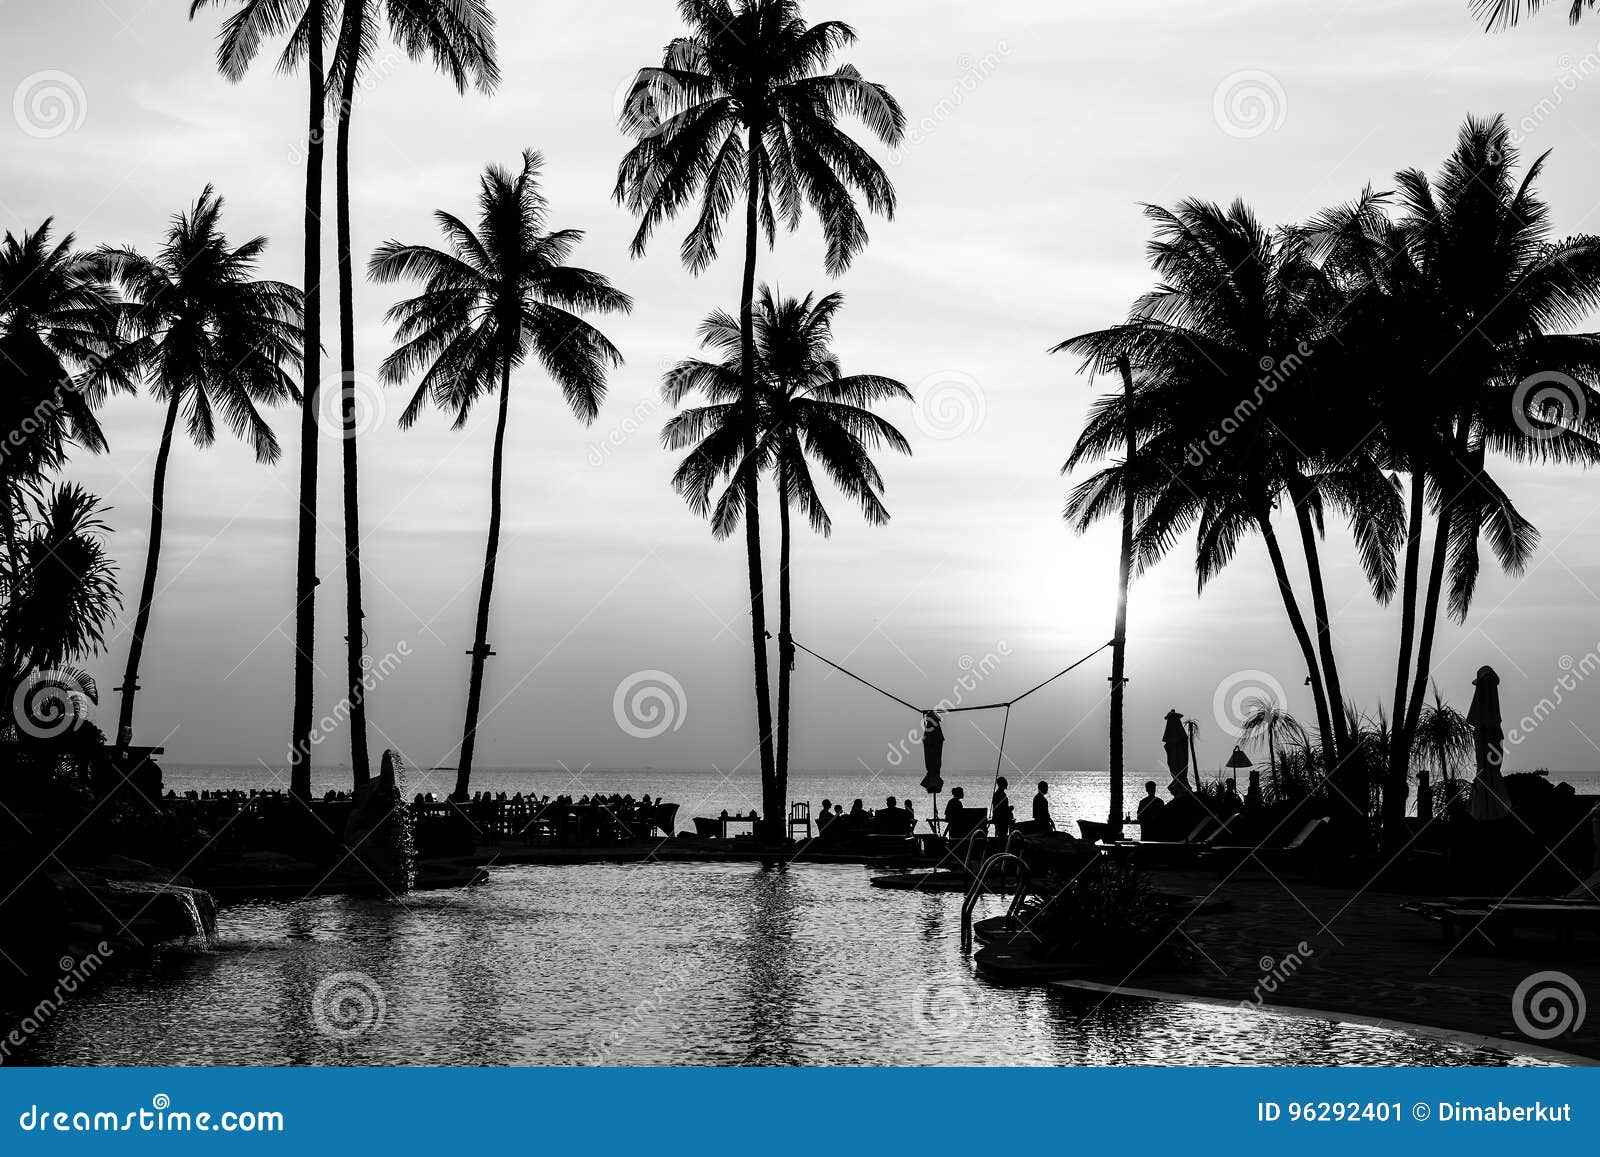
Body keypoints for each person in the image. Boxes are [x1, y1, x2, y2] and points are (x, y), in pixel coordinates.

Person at [991, 777, 1013, 843]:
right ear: (1002, 784)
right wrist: (1009, 808)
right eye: (1005, 782)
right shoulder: (1000, 794)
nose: (1007, 783)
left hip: (1000, 818)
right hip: (1001, 819)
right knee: (1002, 835)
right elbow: (1001, 809)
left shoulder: (998, 794)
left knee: (1002, 834)